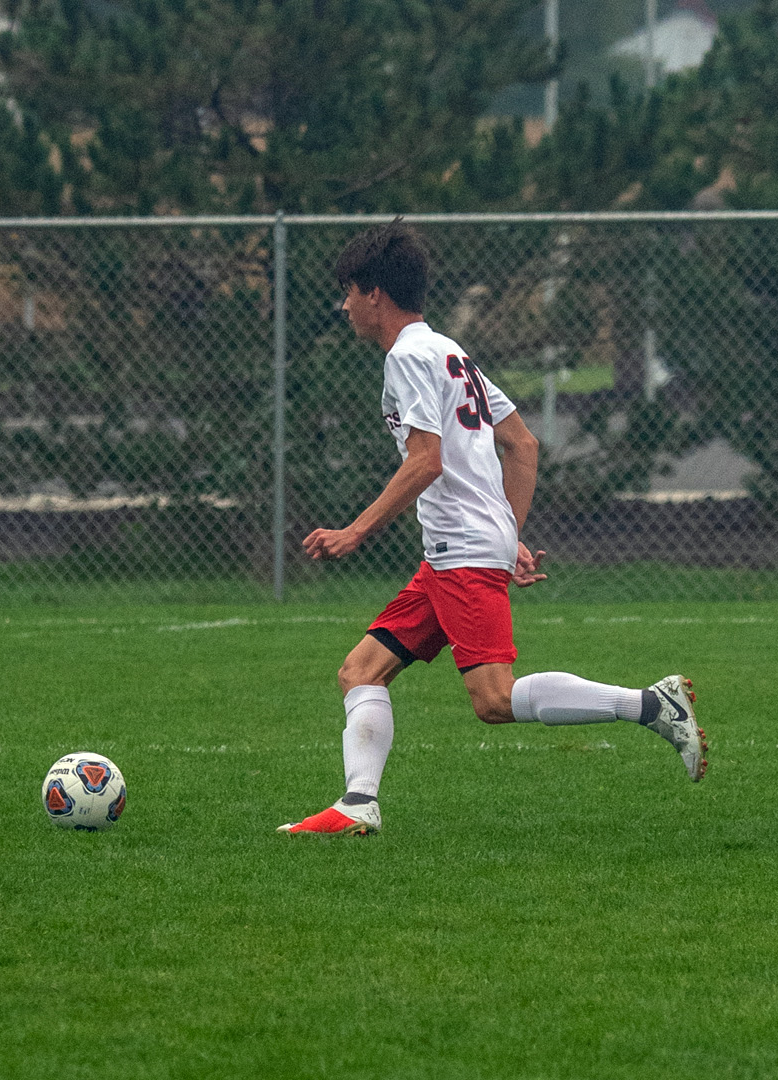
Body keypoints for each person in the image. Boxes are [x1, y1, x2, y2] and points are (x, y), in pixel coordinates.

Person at [278, 221, 705, 837]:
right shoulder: (449, 350)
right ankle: (356, 805)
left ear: (375, 293)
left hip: (459, 553)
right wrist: (506, 536)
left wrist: (356, 531)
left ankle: (649, 704)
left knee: (495, 700)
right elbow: (522, 444)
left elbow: (427, 460)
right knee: (360, 671)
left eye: (348, 291)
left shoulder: (407, 358)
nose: (343, 305)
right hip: (457, 550)